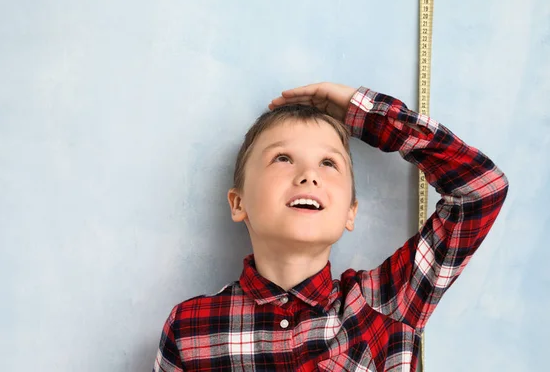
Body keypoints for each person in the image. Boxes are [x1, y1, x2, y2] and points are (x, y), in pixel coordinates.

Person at [152, 83, 509, 371]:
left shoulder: (388, 302)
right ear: (238, 203)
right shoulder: (190, 328)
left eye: (328, 163)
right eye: (282, 158)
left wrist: (367, 117)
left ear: (350, 212)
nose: (308, 175)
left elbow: (481, 190)